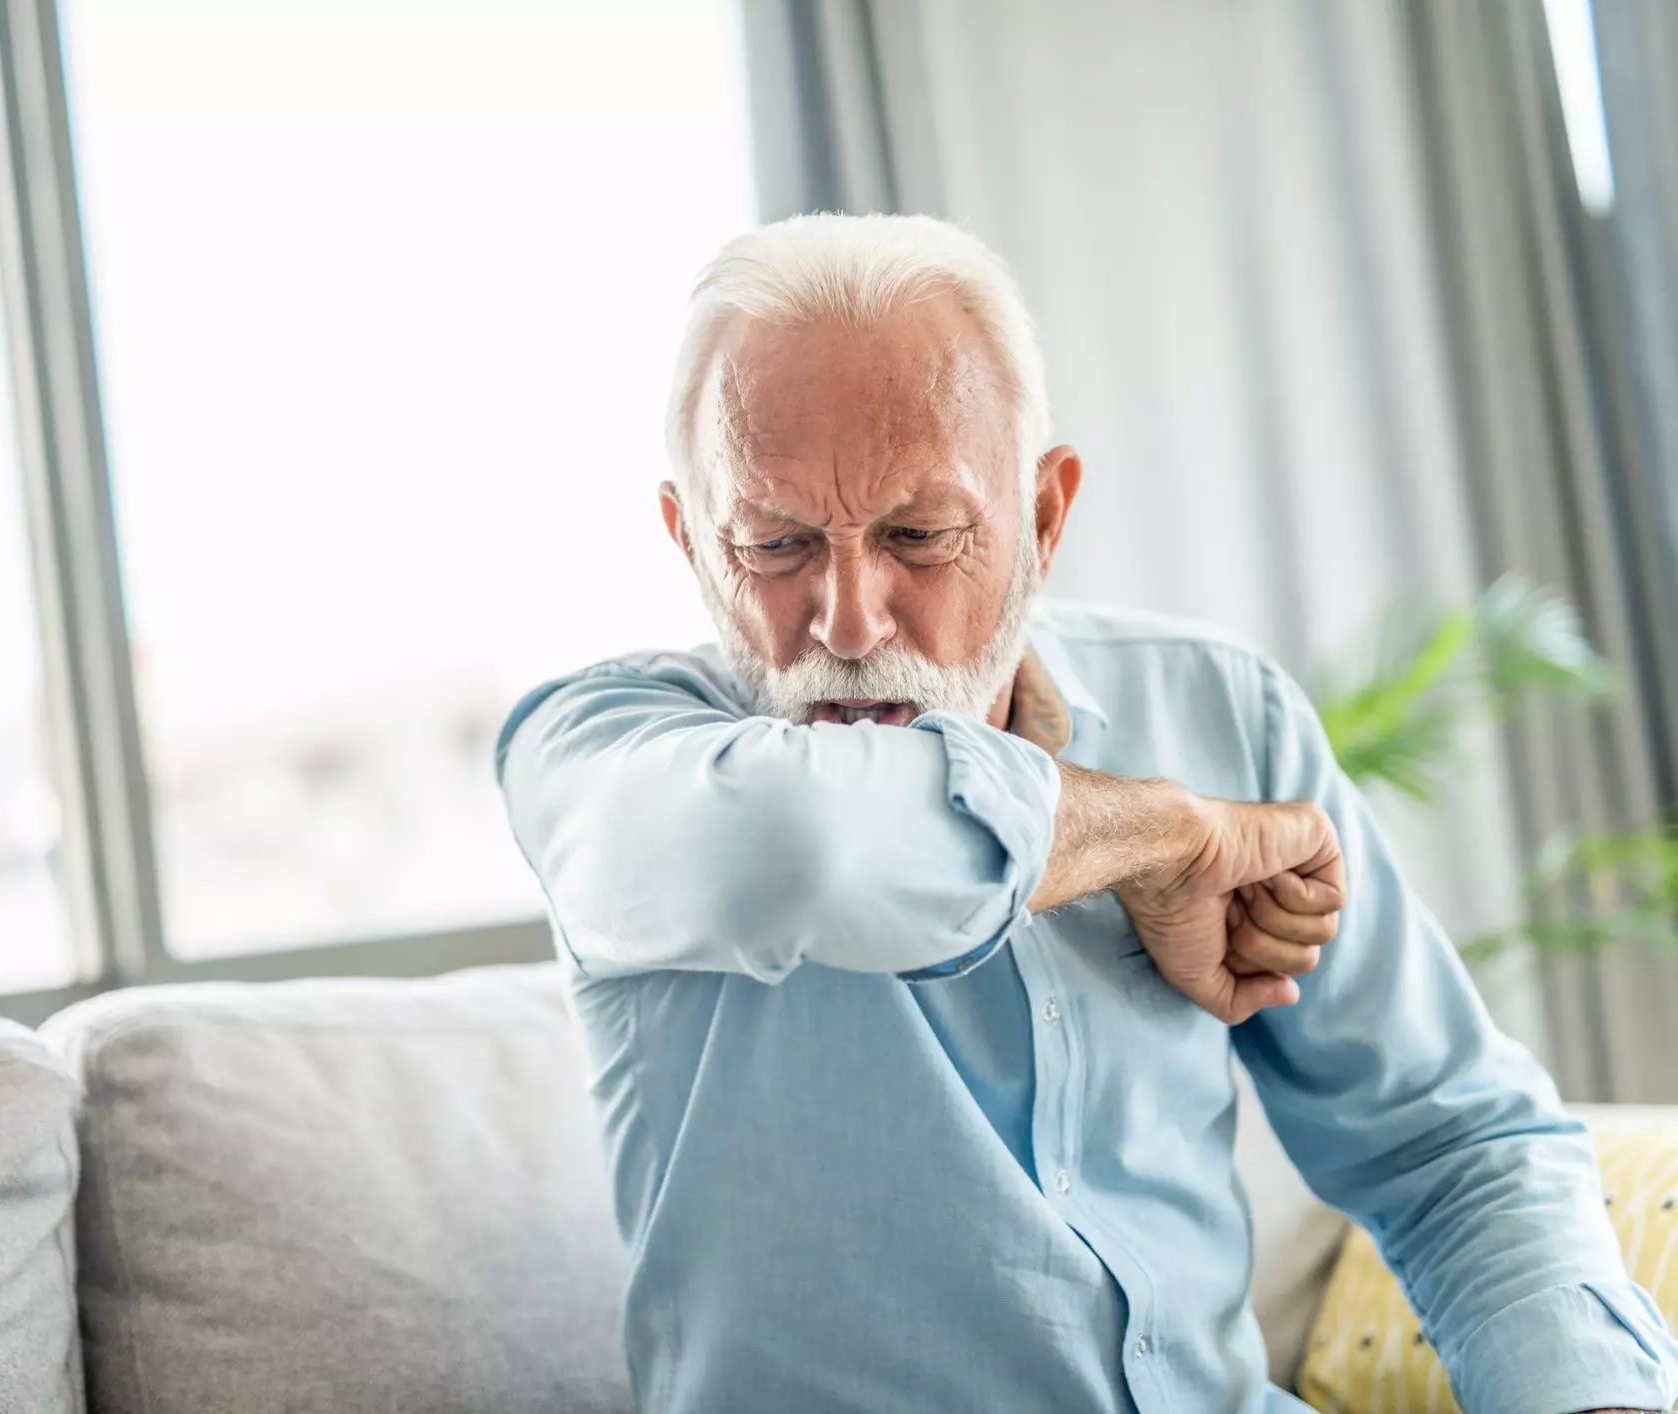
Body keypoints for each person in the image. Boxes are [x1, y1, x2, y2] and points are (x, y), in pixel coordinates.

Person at [495, 213, 1678, 1414]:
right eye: (775, 542)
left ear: (1045, 518)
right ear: (690, 539)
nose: (848, 621)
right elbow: (803, 848)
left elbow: (1448, 1148)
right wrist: (1168, 837)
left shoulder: (1218, 705)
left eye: (919, 534)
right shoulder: (600, 759)